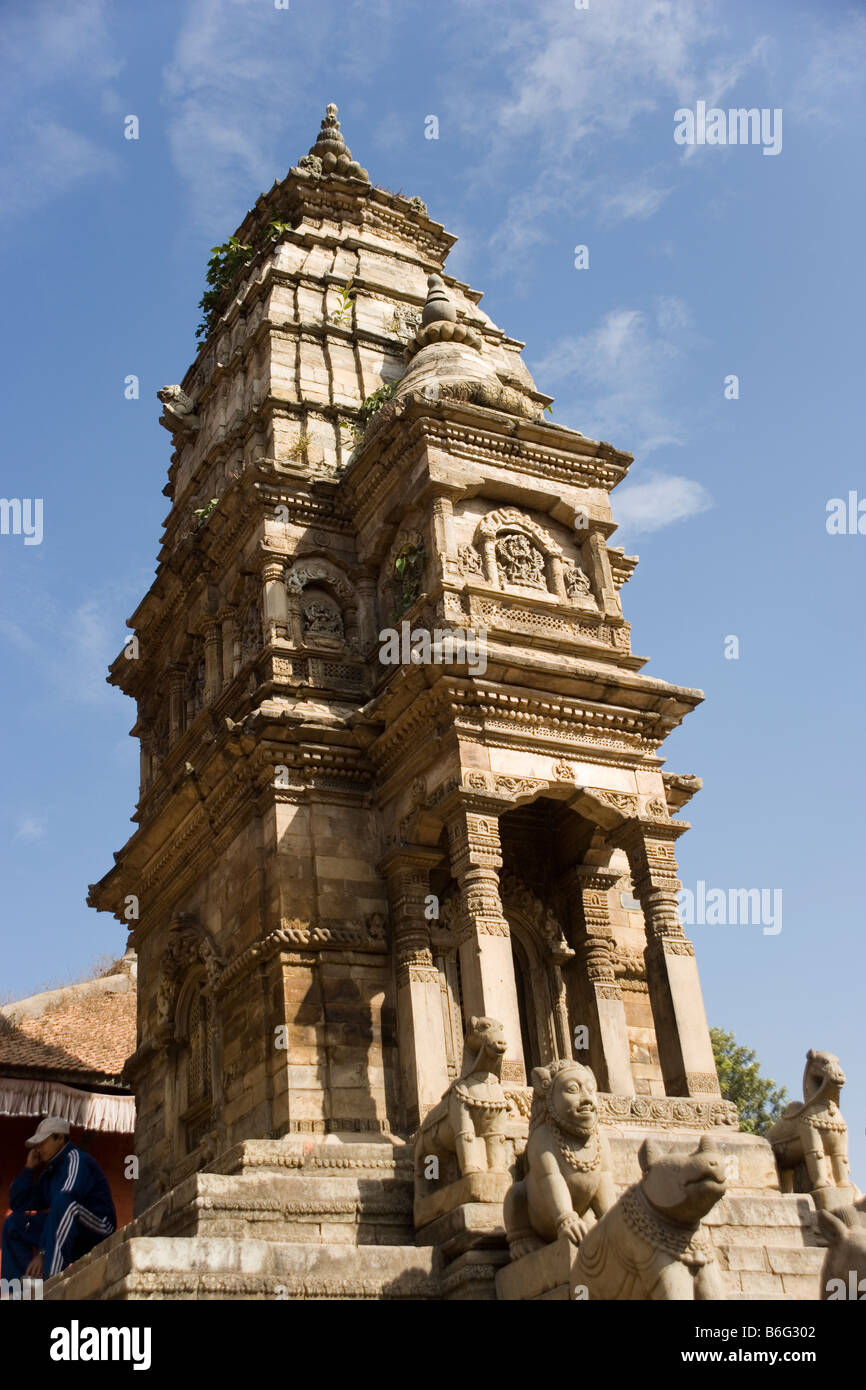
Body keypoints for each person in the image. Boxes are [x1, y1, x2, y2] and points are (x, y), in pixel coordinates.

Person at [1, 1116, 116, 1282]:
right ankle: (19, 1290)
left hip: (97, 1228)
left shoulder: (77, 1159)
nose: (38, 1149)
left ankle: (50, 1280)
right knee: (13, 1223)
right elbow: (19, 1203)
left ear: (60, 1138)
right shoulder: (49, 1173)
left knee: (63, 1202)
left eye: (42, 1143)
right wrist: (28, 1169)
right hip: (67, 1230)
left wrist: (43, 1252)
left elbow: (67, 1200)